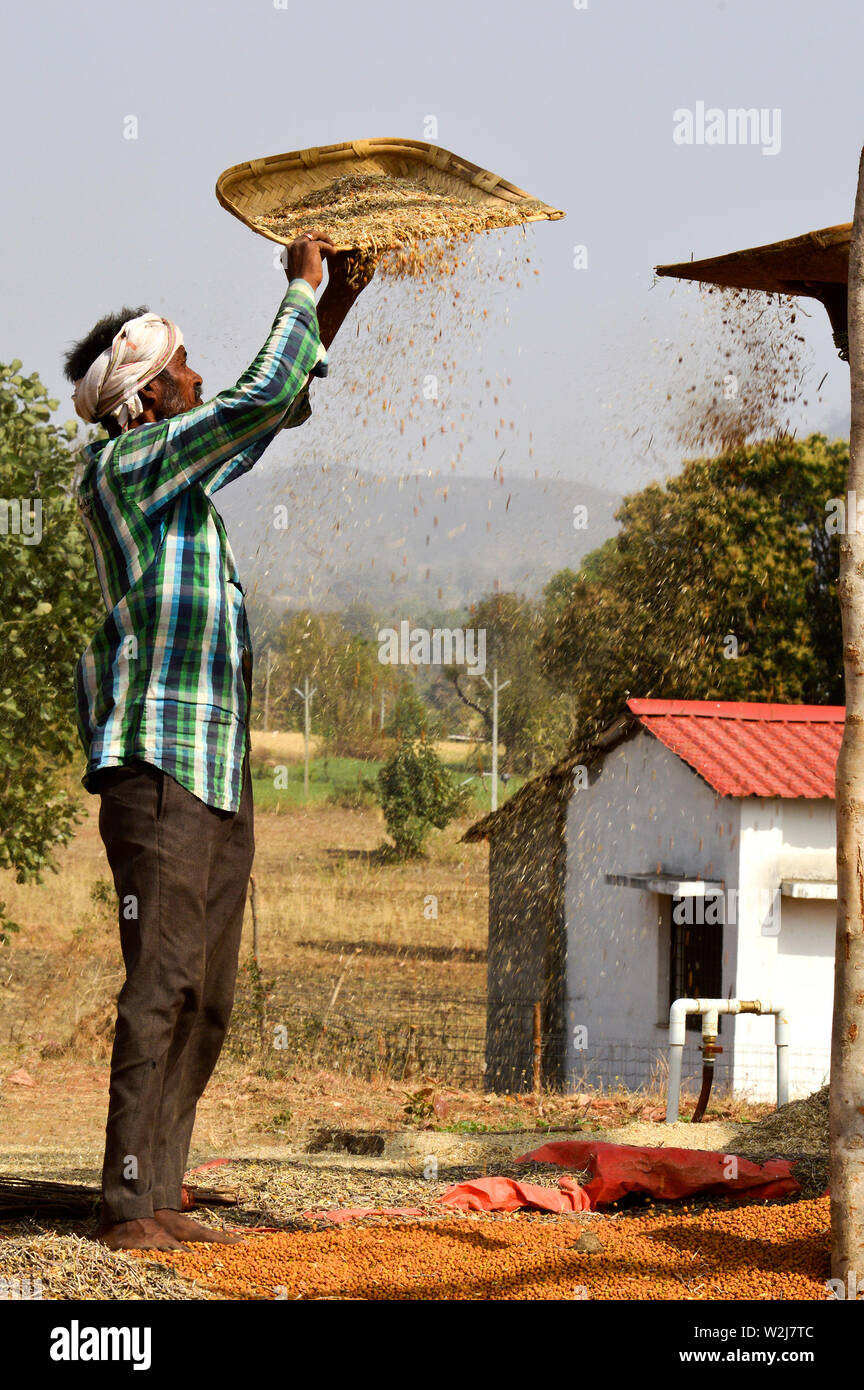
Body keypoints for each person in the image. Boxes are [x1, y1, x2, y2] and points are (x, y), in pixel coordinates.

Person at [64, 232, 373, 1251]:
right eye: (182, 367)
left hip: (209, 770)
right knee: (162, 981)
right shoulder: (126, 470)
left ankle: (162, 1189)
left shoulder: (175, 478)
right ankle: (125, 1205)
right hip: (158, 770)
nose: (196, 376)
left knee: (210, 990)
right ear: (147, 399)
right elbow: (248, 404)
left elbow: (264, 416)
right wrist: (298, 286)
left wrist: (335, 306)